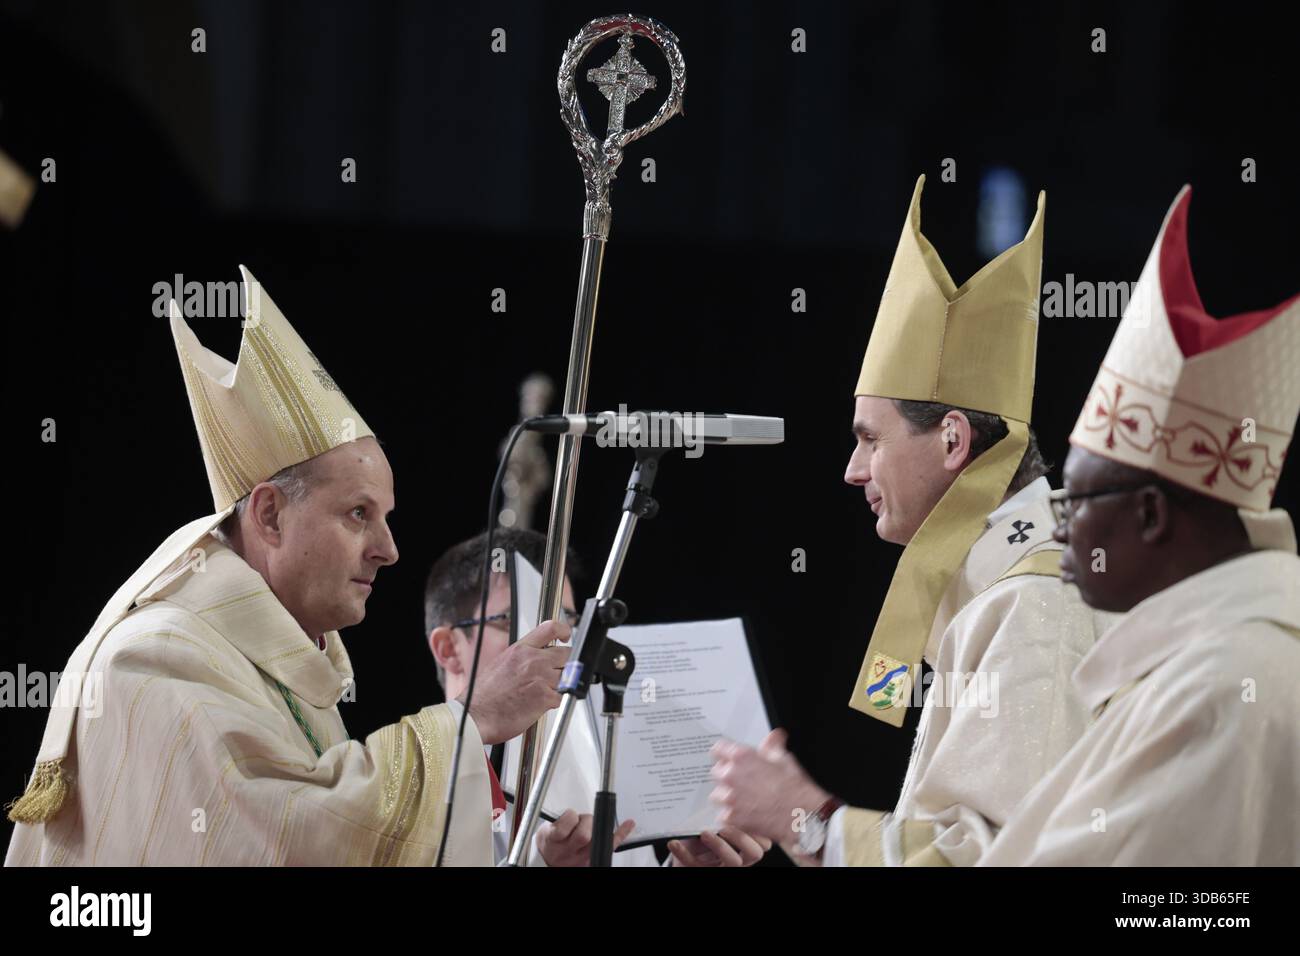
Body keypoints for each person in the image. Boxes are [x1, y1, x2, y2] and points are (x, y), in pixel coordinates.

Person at [6, 267, 567, 866]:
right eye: (358, 513)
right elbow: (285, 841)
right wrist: (471, 721)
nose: (388, 549)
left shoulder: (277, 669)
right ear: (270, 515)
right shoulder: (155, 657)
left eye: (385, 517)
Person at [711, 175, 1110, 866]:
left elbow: (1001, 857)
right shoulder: (1005, 584)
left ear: (953, 440)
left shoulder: (1035, 605)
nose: (852, 470)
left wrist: (807, 823)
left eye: (871, 439)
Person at [981, 186, 1300, 865]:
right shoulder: (1220, 658)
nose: (1059, 530)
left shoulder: (1218, 686)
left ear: (1150, 513)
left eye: (1075, 501)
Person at [426, 529, 771, 867]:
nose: (555, 641)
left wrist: (689, 864)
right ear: (448, 648)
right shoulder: (416, 771)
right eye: (515, 620)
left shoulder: (593, 759)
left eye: (567, 621)